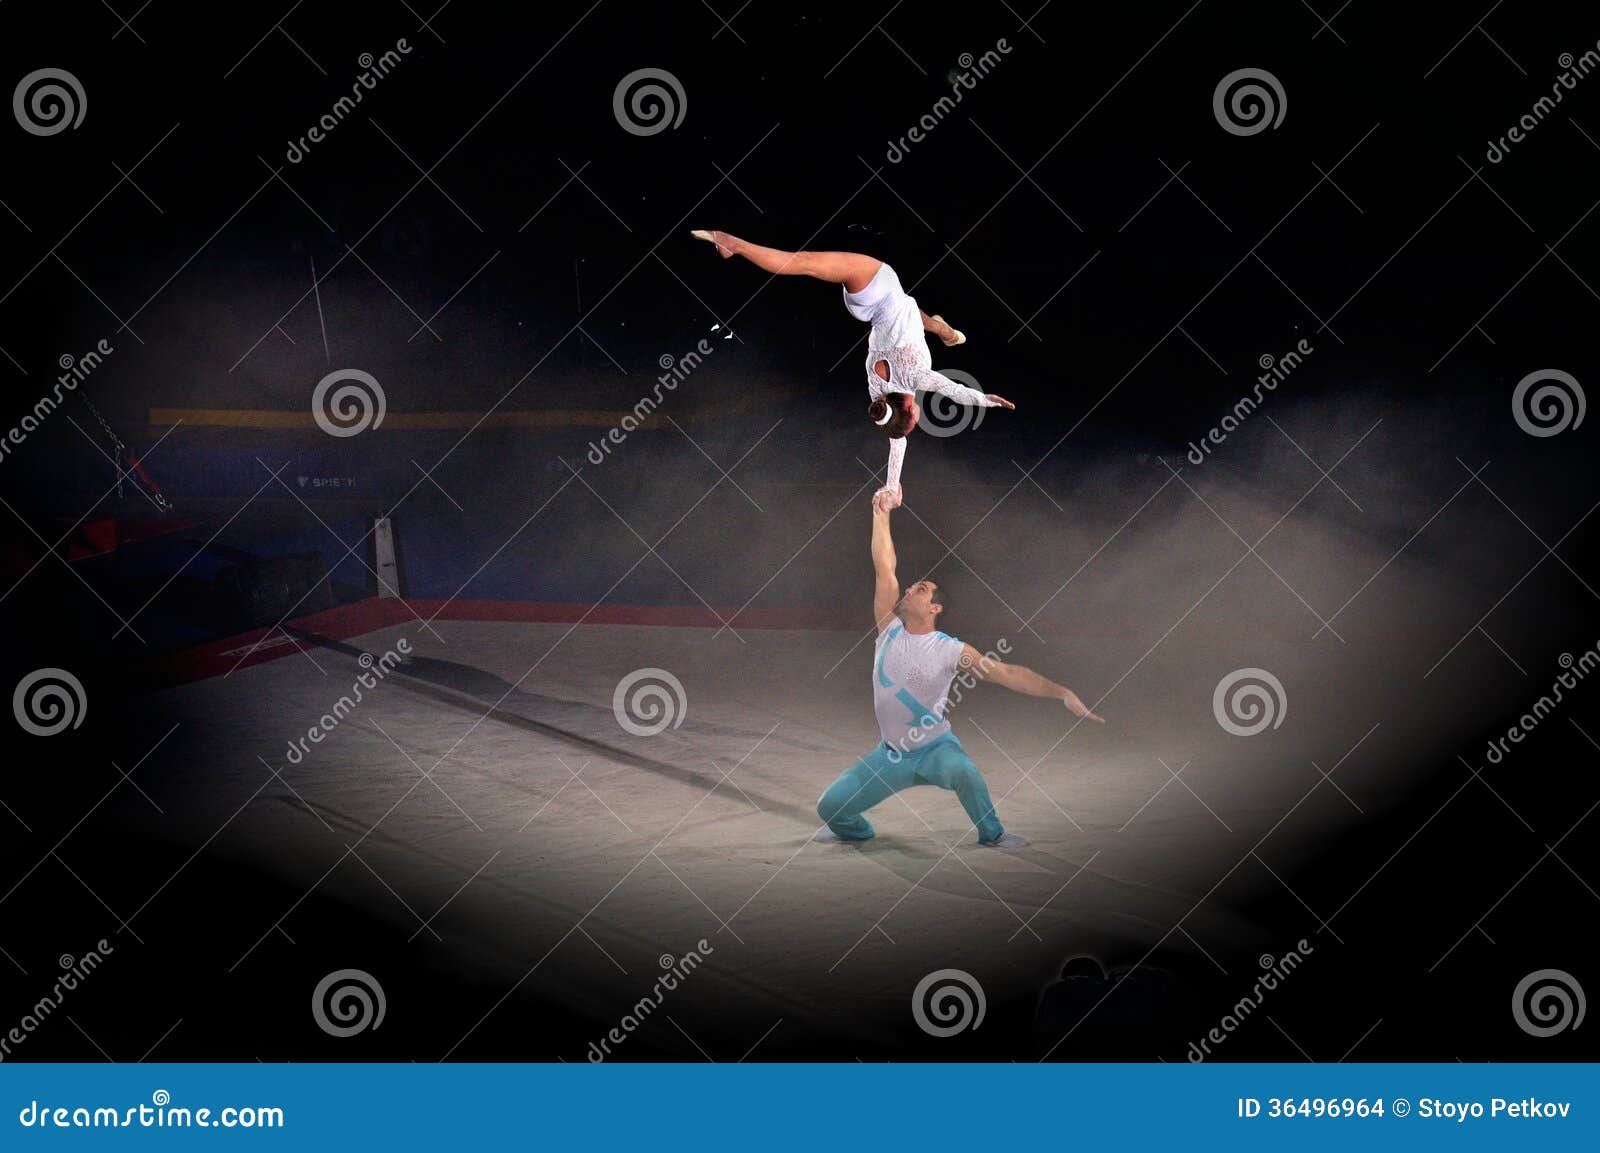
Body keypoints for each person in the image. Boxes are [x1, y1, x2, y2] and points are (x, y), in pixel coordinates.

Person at [814, 489, 1103, 848]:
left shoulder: (950, 650)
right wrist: (881, 512)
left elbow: (1007, 673)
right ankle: (855, 829)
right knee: (830, 809)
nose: (908, 590)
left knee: (965, 772)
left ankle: (993, 835)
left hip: (935, 750)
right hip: (890, 755)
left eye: (920, 589)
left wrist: (1061, 692)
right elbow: (884, 566)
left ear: (935, 608)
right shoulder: (888, 628)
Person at [690, 230, 1014, 504]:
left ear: (912, 411)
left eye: (916, 418)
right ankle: (947, 332)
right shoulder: (878, 391)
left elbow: (953, 390)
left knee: (802, 262)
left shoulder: (914, 376)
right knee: (927, 322)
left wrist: (987, 400)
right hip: (868, 309)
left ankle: (733, 243)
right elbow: (896, 443)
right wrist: (890, 485)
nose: (919, 417)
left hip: (879, 289)